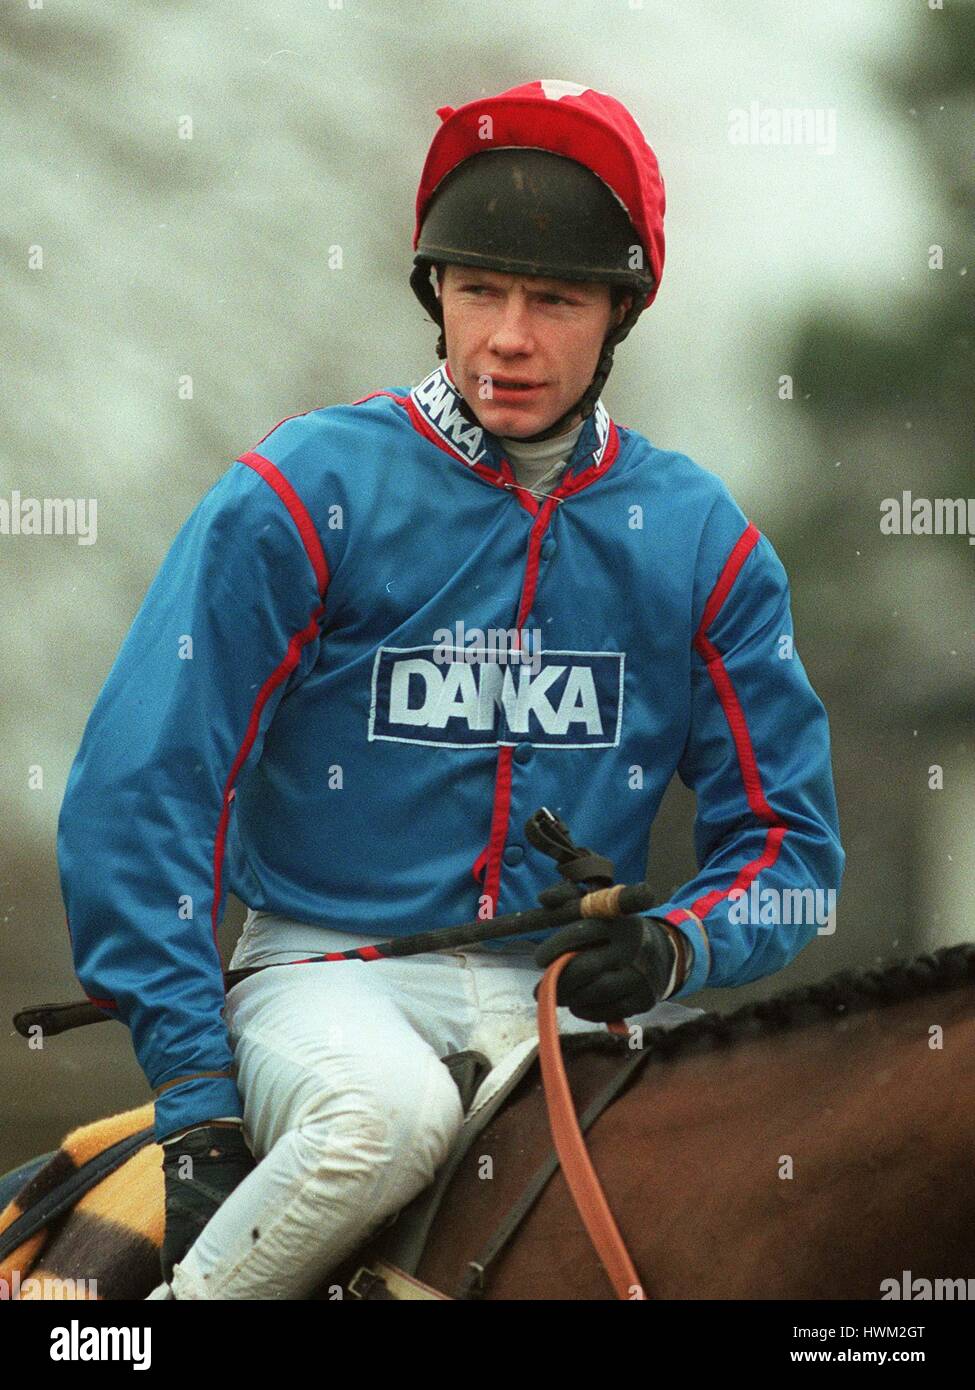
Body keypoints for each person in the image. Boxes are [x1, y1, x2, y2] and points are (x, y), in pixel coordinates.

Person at [57, 79, 845, 1300]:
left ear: (621, 312)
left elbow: (793, 852)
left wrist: (681, 947)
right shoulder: (300, 492)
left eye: (556, 298)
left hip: (556, 999)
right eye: (479, 290)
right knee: (382, 1122)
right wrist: (201, 1097)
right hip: (322, 975)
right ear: (434, 295)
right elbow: (142, 794)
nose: (509, 338)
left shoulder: (702, 543)